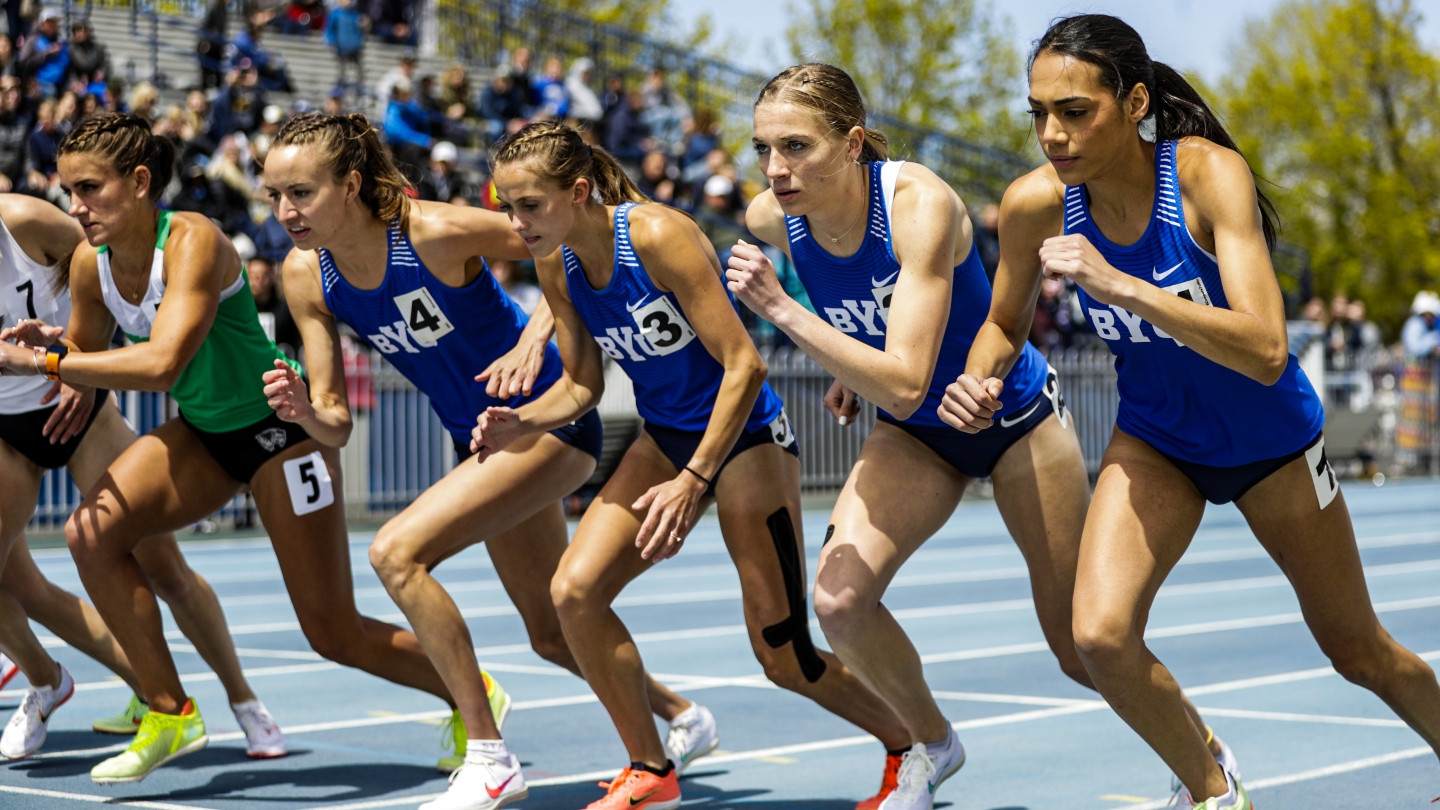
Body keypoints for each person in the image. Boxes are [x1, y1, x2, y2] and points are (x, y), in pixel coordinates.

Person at [944, 16, 1440, 810]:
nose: (1052, 133)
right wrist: (978, 377)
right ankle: (1216, 793)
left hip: (1271, 443)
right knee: (1099, 637)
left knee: (1357, 650)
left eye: (1075, 111)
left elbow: (1268, 347)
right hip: (1157, 440)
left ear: (1135, 101)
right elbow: (1002, 325)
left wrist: (1122, 285)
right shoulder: (1035, 205)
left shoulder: (1207, 177)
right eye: (1037, 112)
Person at [725, 63, 1233, 810]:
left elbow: (900, 376)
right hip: (916, 435)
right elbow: (891, 371)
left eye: (796, 147)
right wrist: (844, 349)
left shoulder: (918, 204)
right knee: (838, 605)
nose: (776, 169)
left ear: (852, 144)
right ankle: (931, 745)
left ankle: (1207, 755)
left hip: (1012, 420)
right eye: (764, 148)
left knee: (1079, 647)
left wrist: (788, 314)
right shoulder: (774, 216)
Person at [0, 112, 505, 785]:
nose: (76, 207)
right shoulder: (91, 269)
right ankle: (168, 710)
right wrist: (56, 346)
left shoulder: (193, 241)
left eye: (90, 188)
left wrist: (45, 369)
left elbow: (161, 363)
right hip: (207, 435)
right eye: (69, 191)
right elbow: (88, 353)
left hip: (280, 433)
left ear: (141, 182)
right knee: (91, 533)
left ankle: (469, 690)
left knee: (332, 632)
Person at [260, 111, 714, 810]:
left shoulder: (434, 233)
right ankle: (685, 716)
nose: (285, 212)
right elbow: (337, 428)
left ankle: (490, 757)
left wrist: (541, 334)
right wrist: (303, 409)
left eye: (301, 193)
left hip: (545, 422)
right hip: (483, 442)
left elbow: (565, 240)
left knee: (395, 553)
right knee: (552, 635)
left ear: (351, 185)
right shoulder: (305, 277)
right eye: (273, 197)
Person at [485, 120, 910, 810]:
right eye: (506, 206)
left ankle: (908, 741)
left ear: (581, 191)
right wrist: (523, 422)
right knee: (574, 594)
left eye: (528, 205)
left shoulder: (656, 236)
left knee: (782, 654)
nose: (515, 222)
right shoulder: (554, 261)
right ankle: (650, 770)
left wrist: (694, 480)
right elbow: (583, 386)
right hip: (668, 439)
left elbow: (744, 365)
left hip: (744, 438)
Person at [0, 191, 285, 761]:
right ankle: (50, 680)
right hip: (5, 427)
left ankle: (245, 700)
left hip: (79, 410)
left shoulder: (25, 221)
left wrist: (80, 368)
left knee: (166, 571)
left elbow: (100, 273)